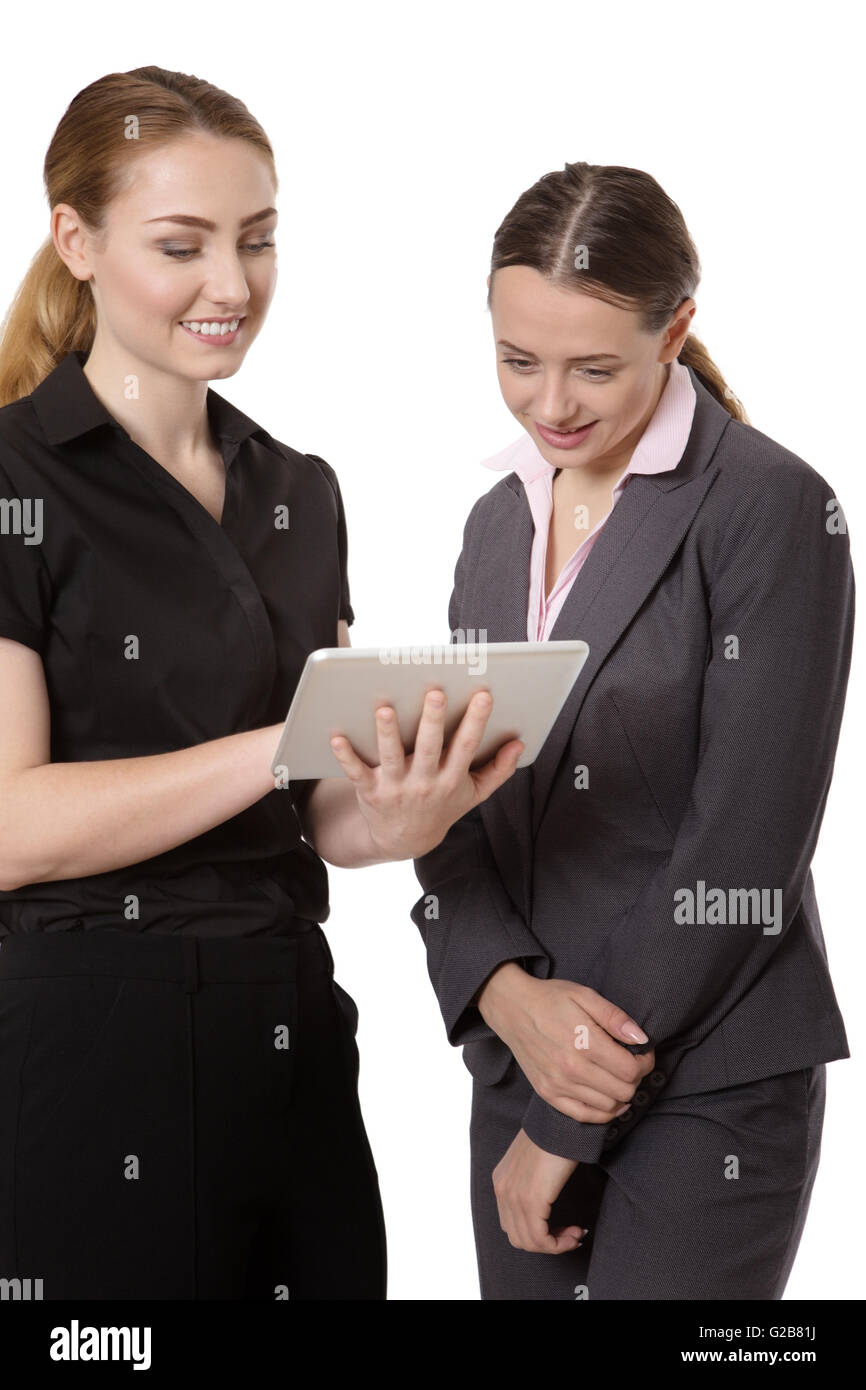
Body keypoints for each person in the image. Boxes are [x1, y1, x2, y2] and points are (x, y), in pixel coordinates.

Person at [0, 65, 526, 1301]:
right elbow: (11, 827)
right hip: (96, 1029)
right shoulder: (14, 481)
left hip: (290, 1011)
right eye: (180, 246)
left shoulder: (300, 487)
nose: (231, 287)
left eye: (258, 240)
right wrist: (285, 738)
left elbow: (324, 816)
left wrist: (406, 805)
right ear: (74, 240)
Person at [410, 160, 855, 1300]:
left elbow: (745, 845)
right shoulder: (492, 523)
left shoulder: (765, 507)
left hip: (701, 1078)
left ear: (677, 331)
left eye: (592, 367)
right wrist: (500, 987)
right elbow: (448, 800)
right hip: (517, 1061)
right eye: (517, 360)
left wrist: (572, 1101)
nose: (549, 403)